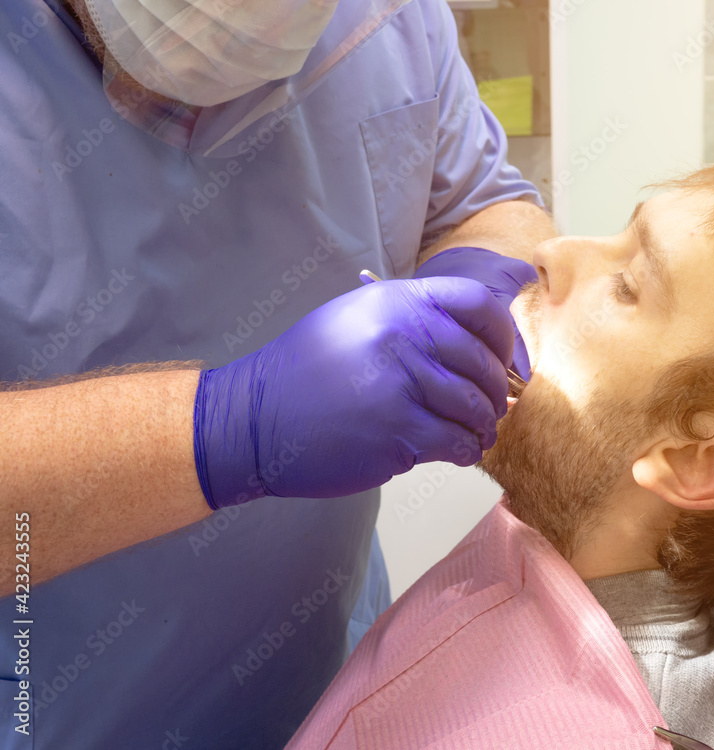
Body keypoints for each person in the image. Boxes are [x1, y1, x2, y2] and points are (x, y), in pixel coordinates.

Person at [0, 0, 555, 747]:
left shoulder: (392, 22)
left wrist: (482, 268)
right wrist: (232, 428)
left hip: (322, 689)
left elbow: (484, 203)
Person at [283, 149, 714, 750]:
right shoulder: (553, 523)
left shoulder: (603, 727)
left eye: (628, 285)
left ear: (697, 461)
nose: (549, 253)